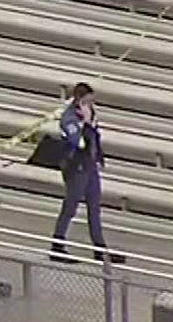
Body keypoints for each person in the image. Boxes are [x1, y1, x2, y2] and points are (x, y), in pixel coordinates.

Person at [53, 84, 125, 264]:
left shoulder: (91, 113)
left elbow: (95, 137)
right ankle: (57, 245)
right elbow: (79, 143)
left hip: (90, 165)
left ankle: (99, 248)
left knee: (94, 207)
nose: (90, 105)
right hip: (76, 166)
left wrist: (98, 156)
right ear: (78, 100)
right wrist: (86, 123)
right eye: (87, 101)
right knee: (70, 206)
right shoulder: (69, 119)